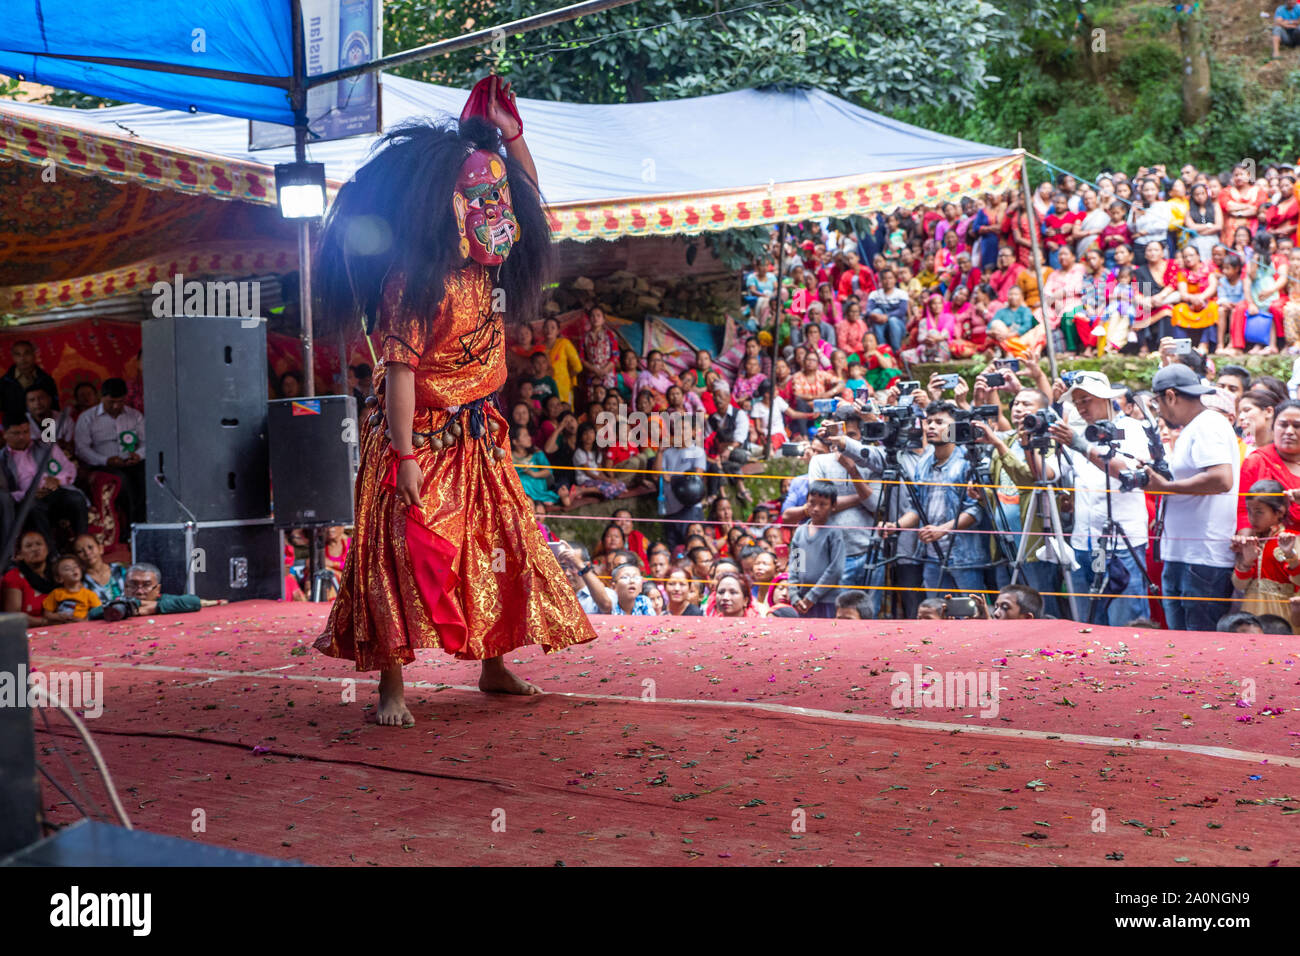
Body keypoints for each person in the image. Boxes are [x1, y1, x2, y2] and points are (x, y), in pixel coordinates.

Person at [311, 78, 597, 724]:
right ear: (450, 209)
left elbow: (529, 203)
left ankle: (493, 663)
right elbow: (400, 372)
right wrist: (405, 456)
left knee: (498, 541)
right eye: (482, 198)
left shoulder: (490, 265)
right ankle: (391, 686)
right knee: (402, 552)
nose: (497, 208)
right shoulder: (413, 283)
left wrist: (512, 136)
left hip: (477, 433)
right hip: (416, 439)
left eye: (499, 196)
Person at [1048, 371, 1152, 626]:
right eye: (1077, 402)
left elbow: (1127, 473)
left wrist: (1082, 446)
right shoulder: (1077, 432)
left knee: (1126, 625)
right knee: (1089, 624)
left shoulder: (1130, 427)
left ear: (1105, 398)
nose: (1081, 408)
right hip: (1086, 543)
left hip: (1122, 544)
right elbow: (1048, 473)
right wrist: (1031, 444)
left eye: (1086, 400)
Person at [1144, 364, 1240, 631]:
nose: (1159, 410)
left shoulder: (1208, 424)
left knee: (1199, 645)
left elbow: (1221, 479)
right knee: (1180, 645)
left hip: (1202, 557)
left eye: (1157, 402)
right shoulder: (1194, 427)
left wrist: (1166, 487)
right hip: (1184, 554)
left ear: (1170, 396)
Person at [890, 402, 986, 595]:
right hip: (931, 555)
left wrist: (942, 530)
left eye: (939, 422)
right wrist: (896, 526)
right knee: (936, 609)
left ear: (955, 427)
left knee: (971, 609)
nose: (931, 427)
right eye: (929, 421)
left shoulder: (967, 461)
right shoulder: (924, 462)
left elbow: (976, 510)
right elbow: (917, 508)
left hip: (964, 557)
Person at [1, 414, 87, 549]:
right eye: (16, 433)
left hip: (55, 491)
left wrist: (57, 480)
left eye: (26, 432)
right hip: (28, 500)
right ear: (5, 434)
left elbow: (70, 469)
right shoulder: (2, 459)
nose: (22, 437)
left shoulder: (46, 446)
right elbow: (4, 494)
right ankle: (51, 553)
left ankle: (83, 544)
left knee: (76, 498)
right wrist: (28, 494)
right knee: (33, 507)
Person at [73, 377, 147, 527]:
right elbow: (81, 449)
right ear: (102, 397)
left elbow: (147, 442)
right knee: (123, 481)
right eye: (111, 402)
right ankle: (131, 526)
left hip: (131, 462)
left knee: (146, 477)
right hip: (102, 464)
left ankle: (144, 523)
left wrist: (138, 455)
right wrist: (105, 460)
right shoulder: (87, 418)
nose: (115, 406)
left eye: (120, 402)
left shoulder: (135, 416)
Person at [1232, 479, 1293, 621]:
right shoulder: (1250, 542)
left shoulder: (1291, 540)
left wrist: (1291, 555)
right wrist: (1246, 562)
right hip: (1250, 614)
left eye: (1259, 512)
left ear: (1280, 512)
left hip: (1282, 615)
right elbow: (1239, 585)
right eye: (1249, 511)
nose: (1252, 518)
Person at [789, 479, 846, 618]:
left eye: (823, 504)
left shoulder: (834, 532)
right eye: (812, 503)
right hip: (802, 601)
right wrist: (794, 595)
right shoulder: (800, 531)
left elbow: (836, 570)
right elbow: (795, 566)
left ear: (833, 506)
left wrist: (812, 597)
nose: (816, 508)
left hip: (827, 600)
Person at [86, 563, 217, 619]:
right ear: (125, 586)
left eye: (146, 585)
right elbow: (93, 613)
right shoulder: (120, 603)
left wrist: (152, 608)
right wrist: (124, 608)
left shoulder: (163, 599)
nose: (139, 591)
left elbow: (193, 601)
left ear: (157, 588)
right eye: (133, 585)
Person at [2, 529, 55, 626]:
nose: (35, 549)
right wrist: (45, 622)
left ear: (47, 549)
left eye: (39, 544)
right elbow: (14, 616)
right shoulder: (14, 577)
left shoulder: (57, 573)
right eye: (28, 546)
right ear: (19, 555)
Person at [0, 340, 59, 425]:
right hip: (16, 428)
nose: (22, 358)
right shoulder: (4, 382)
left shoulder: (46, 380)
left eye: (27, 353)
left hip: (43, 426)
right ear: (13, 357)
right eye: (18, 354)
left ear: (34, 354)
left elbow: (54, 407)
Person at [42, 554, 101, 623]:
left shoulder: (89, 594)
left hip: (82, 626)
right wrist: (58, 616)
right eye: (67, 569)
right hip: (61, 626)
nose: (73, 570)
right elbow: (47, 614)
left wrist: (84, 620)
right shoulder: (56, 593)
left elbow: (98, 613)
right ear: (59, 578)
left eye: (76, 566)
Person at [73, 532, 127, 604]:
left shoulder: (119, 570)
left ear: (100, 548)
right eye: (80, 551)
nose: (87, 553)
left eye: (90, 547)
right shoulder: (80, 581)